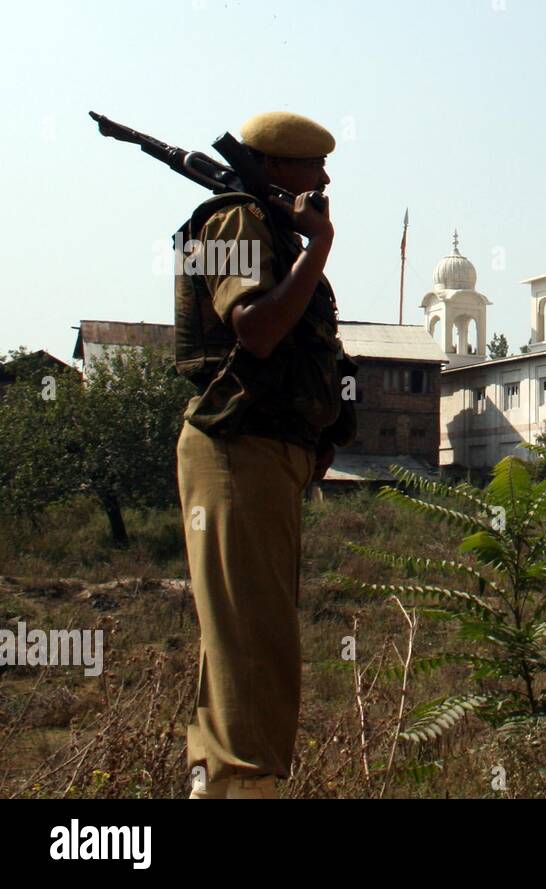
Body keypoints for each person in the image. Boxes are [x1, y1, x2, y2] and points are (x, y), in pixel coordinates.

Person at [174, 111, 355, 799]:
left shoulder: (276, 231)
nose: (326, 179)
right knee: (253, 638)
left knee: (249, 630)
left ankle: (224, 781)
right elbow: (256, 330)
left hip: (269, 453)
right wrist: (320, 247)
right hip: (233, 446)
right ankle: (242, 786)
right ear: (278, 167)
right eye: (314, 165)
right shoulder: (231, 221)